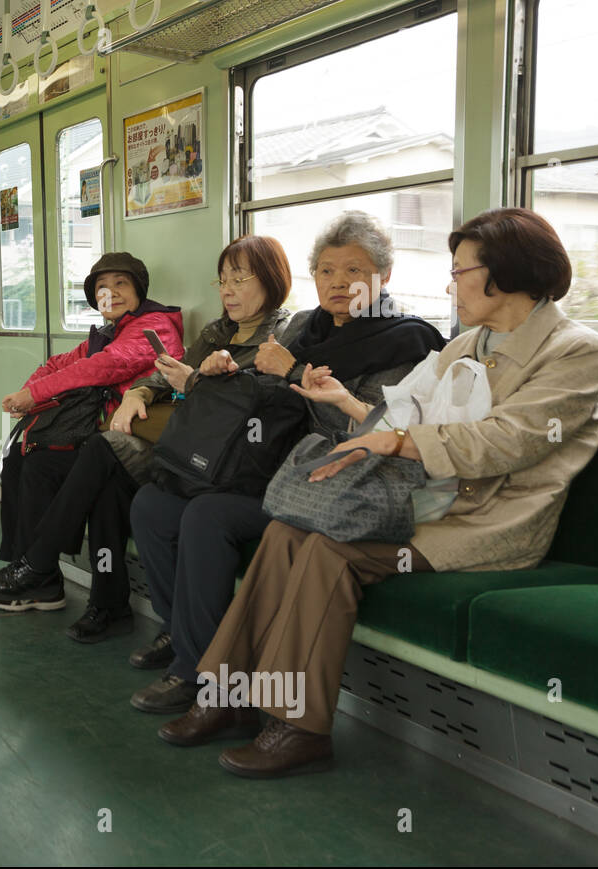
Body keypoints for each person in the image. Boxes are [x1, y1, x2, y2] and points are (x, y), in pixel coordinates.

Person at [161, 207, 598, 778]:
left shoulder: (575, 350)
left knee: (328, 547)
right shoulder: (469, 343)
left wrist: (395, 443)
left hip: (487, 523)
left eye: (462, 271)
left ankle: (299, 726)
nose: (451, 283)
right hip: (427, 502)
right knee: (285, 528)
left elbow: (509, 441)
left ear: (507, 273)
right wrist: (346, 405)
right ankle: (227, 693)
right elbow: (404, 410)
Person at [126, 212, 445, 717]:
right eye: (326, 270)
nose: (338, 283)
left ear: (383, 277)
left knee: (207, 517)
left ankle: (197, 674)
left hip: (334, 481)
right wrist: (216, 374)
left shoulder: (409, 343)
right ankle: (182, 633)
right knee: (152, 504)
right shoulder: (305, 326)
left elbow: (369, 433)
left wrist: (295, 372)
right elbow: (261, 397)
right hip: (271, 466)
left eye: (354, 271)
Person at [0, 236, 293, 640]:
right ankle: (95, 599)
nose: (228, 290)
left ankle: (38, 566)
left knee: (102, 453)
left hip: (214, 456)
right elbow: (155, 373)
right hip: (179, 444)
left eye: (239, 278)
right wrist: (141, 392)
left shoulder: (163, 326)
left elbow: (108, 369)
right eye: (223, 281)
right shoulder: (214, 333)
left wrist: (191, 382)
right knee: (49, 462)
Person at [0, 252, 183, 611]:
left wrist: (36, 394)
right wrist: (28, 393)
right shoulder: (107, 333)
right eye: (102, 287)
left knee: (66, 470)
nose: (111, 292)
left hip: (136, 440)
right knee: (29, 458)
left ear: (139, 289)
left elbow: (103, 368)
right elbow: (58, 364)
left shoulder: (155, 327)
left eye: (121, 283)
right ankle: (36, 577)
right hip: (103, 435)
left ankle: (37, 570)